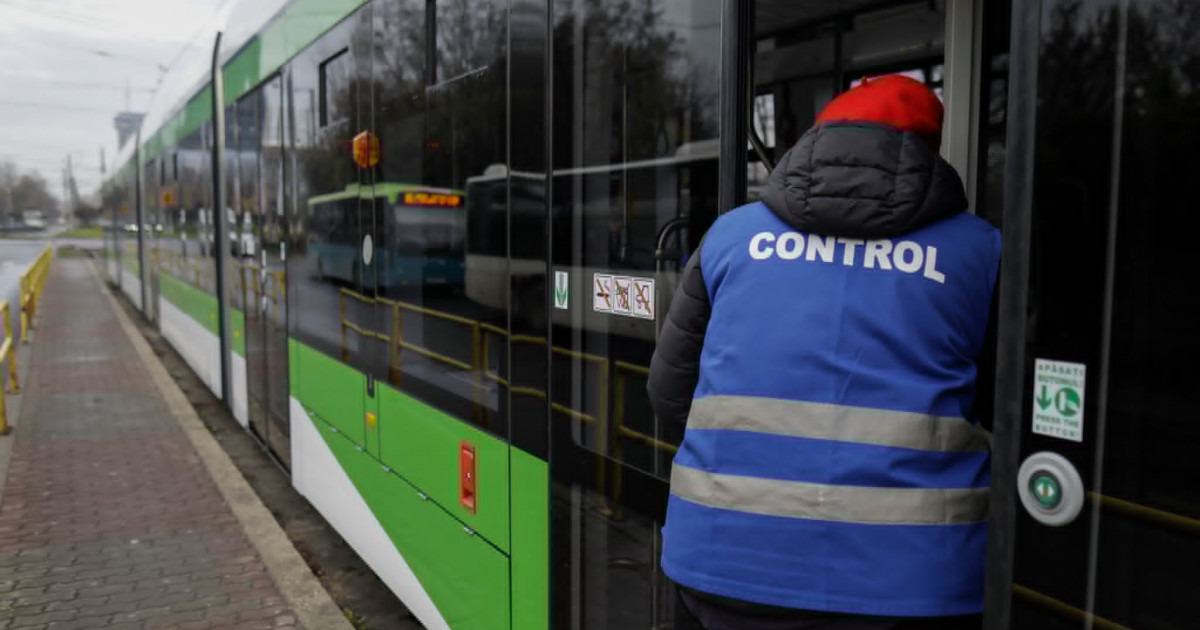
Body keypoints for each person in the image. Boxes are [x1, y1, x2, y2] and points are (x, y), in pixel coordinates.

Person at [646, 74, 1001, 630]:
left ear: (820, 136)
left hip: (722, 565)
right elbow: (1012, 415)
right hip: (913, 583)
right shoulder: (983, 251)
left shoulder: (729, 238)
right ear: (924, 151)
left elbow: (668, 395)